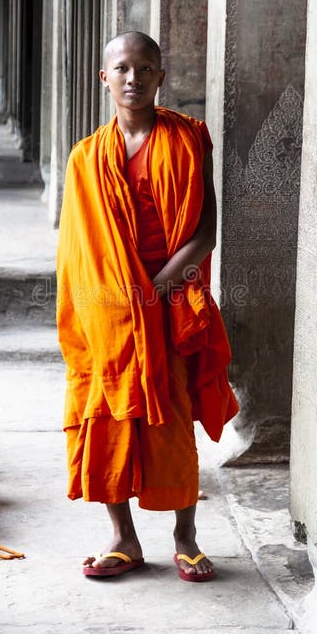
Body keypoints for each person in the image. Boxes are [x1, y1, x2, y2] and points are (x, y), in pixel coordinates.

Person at [56, 31, 238, 582]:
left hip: (172, 295)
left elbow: (205, 231)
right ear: (104, 77)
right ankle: (123, 538)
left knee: (173, 415)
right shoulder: (86, 158)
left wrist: (154, 290)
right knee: (109, 412)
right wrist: (114, 304)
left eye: (146, 68)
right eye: (123, 68)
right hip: (107, 306)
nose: (133, 77)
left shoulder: (188, 139)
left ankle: (185, 536)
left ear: (161, 77)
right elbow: (77, 248)